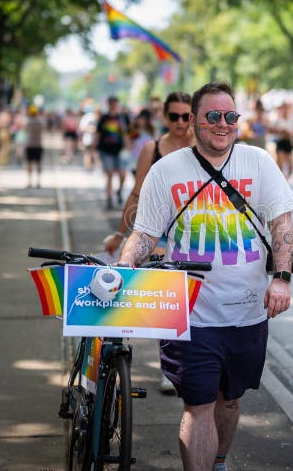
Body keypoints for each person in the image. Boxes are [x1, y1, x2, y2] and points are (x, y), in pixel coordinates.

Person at [118, 82, 293, 471]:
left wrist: (281, 277)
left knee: (229, 400)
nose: (223, 124)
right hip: (190, 313)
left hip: (248, 312)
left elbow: (282, 224)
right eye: (213, 116)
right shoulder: (166, 170)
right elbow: (146, 232)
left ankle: (218, 462)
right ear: (195, 122)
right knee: (197, 405)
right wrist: (126, 263)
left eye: (230, 116)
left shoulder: (259, 162)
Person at [103, 91, 193, 394]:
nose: (181, 122)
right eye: (175, 116)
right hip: (160, 230)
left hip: (198, 229)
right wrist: (119, 234)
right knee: (167, 293)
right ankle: (171, 366)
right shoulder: (152, 149)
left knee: (197, 300)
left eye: (187, 116)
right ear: (164, 117)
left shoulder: (203, 146)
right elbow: (137, 193)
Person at [96, 96, 129, 209]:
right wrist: (95, 148)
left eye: (115, 103)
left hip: (120, 151)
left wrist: (129, 146)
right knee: (109, 174)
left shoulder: (123, 118)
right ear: (108, 104)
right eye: (111, 103)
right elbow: (98, 133)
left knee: (122, 174)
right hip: (106, 150)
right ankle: (109, 198)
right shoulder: (104, 118)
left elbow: (129, 132)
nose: (113, 105)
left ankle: (119, 191)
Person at [270, 100, 293, 179]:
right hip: (280, 141)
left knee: (291, 165)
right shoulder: (276, 118)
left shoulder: (292, 119)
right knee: (280, 163)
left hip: (289, 142)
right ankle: (281, 179)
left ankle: (287, 179)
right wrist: (281, 131)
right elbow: (270, 130)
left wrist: (291, 134)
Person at [24, 105, 44, 188]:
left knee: (29, 163)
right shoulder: (40, 122)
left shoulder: (28, 122)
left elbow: (25, 130)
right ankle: (38, 181)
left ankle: (29, 181)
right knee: (38, 163)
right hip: (38, 145)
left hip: (29, 144)